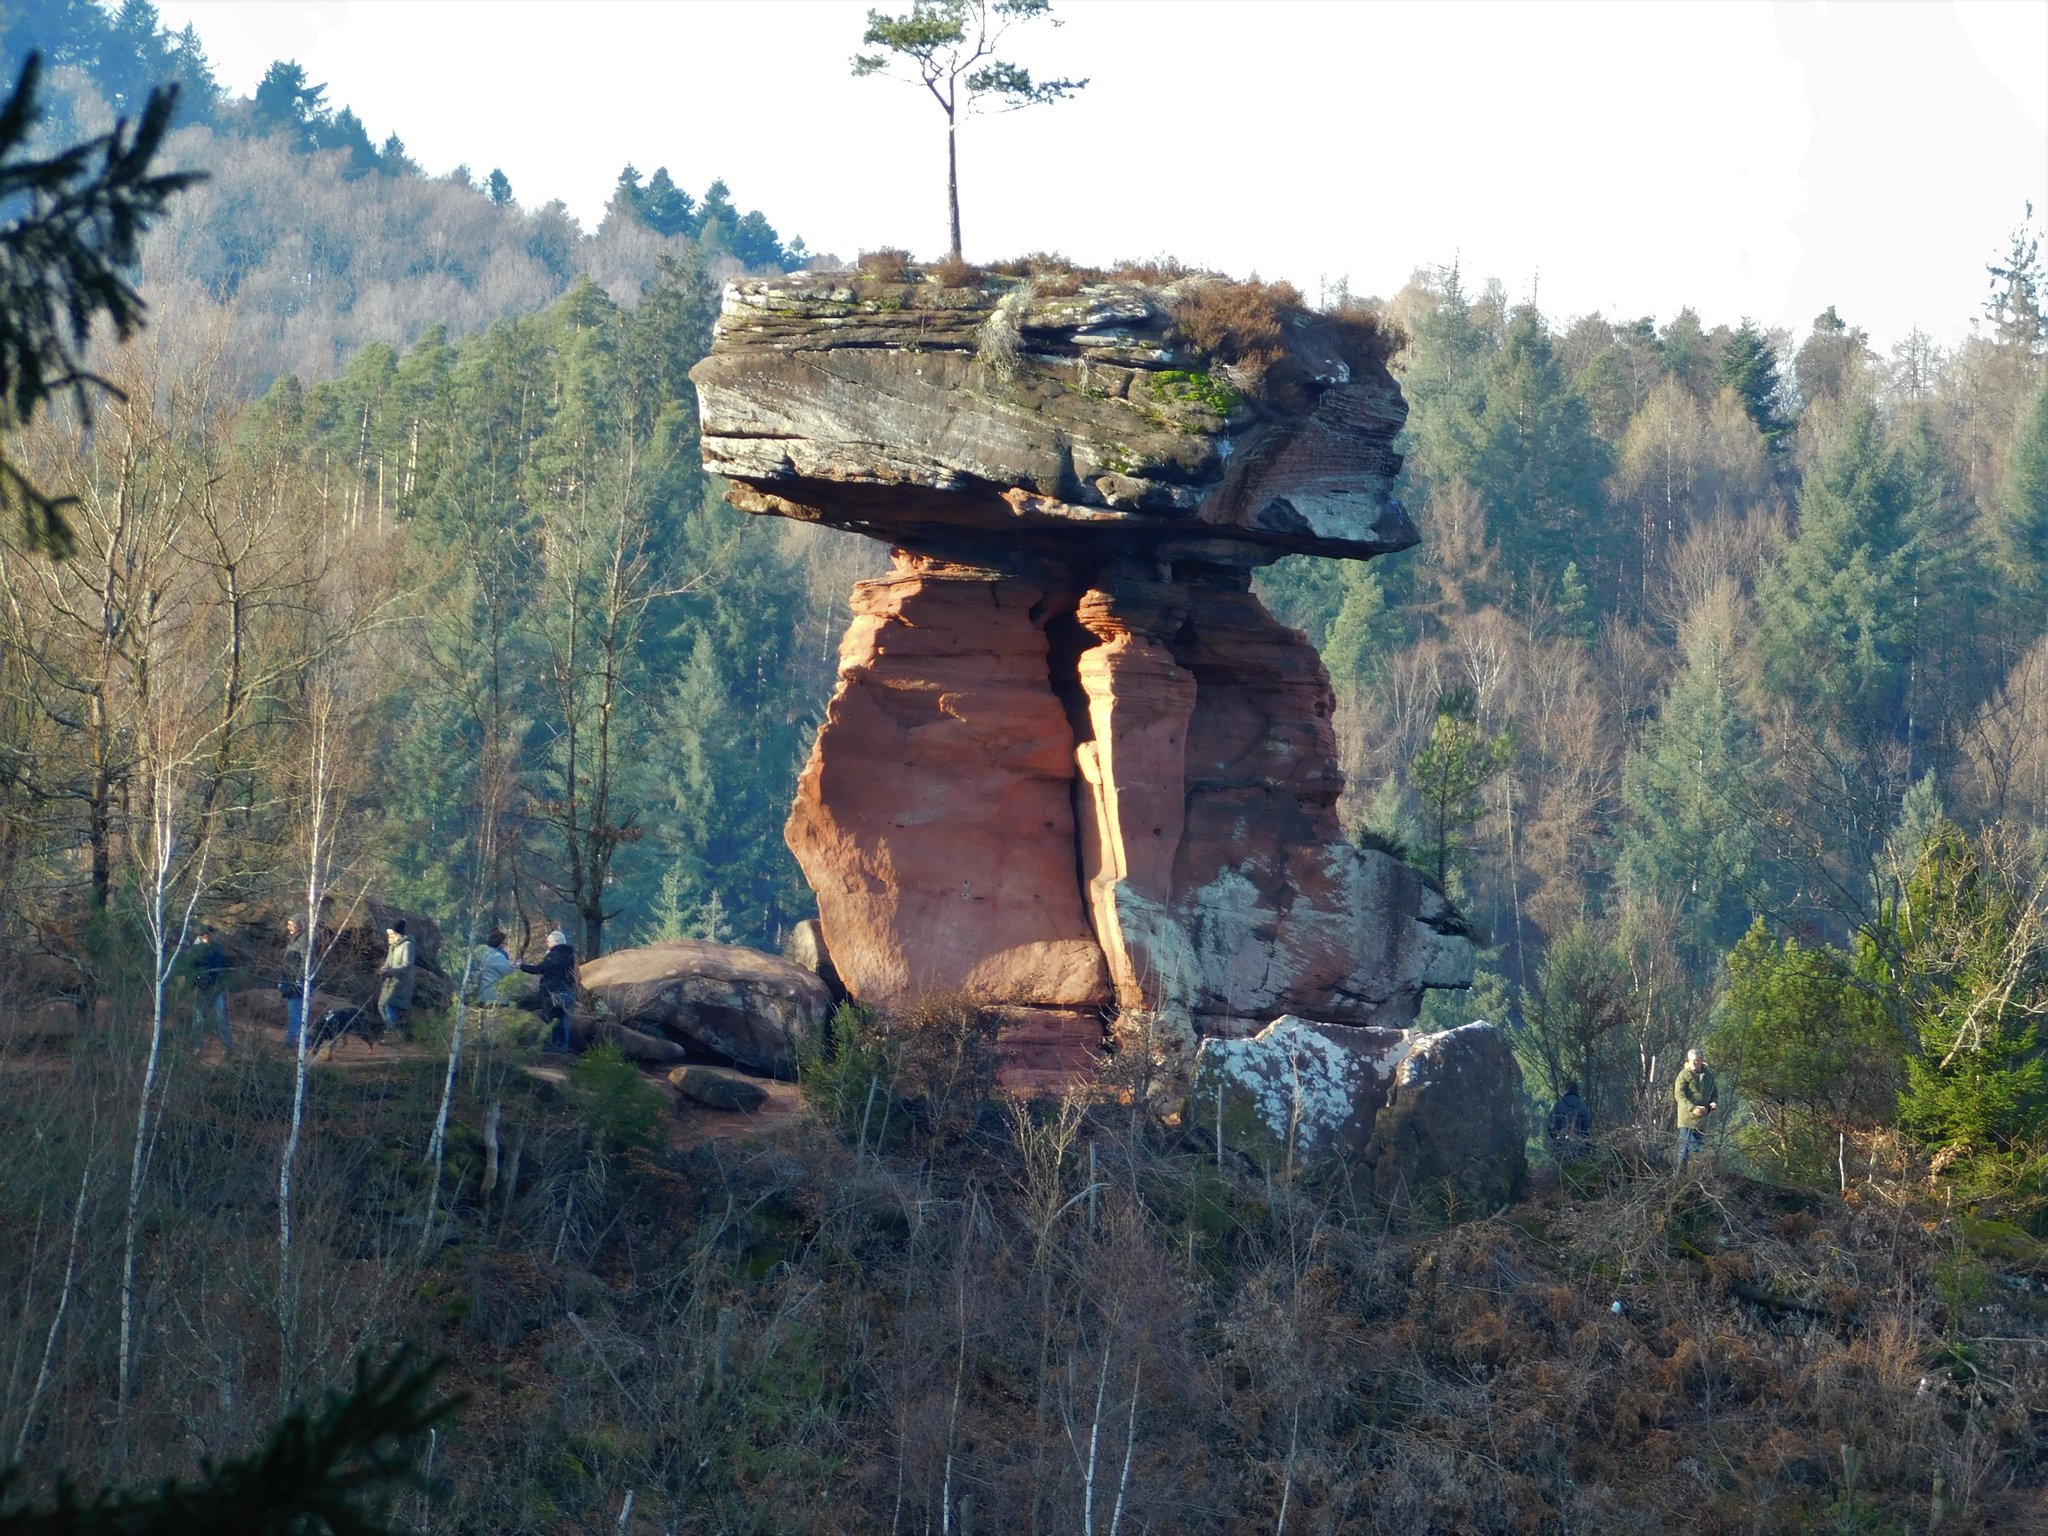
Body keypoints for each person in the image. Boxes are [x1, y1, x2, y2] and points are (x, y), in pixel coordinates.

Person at [520, 929, 578, 1052]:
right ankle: (563, 1045)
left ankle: (556, 1045)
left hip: (551, 991)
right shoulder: (570, 956)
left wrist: (521, 966)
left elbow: (540, 969)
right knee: (563, 1017)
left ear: (556, 942)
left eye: (548, 941)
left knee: (553, 1017)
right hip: (565, 990)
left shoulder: (554, 955)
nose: (547, 943)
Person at [185, 927, 231, 1051]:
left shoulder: (216, 948)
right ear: (203, 935)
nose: (209, 936)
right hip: (201, 990)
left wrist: (223, 985)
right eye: (207, 934)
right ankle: (196, 1046)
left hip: (216, 989)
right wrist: (193, 985)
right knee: (199, 1019)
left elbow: (222, 968)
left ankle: (227, 1047)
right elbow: (189, 970)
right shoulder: (194, 950)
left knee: (221, 1018)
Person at [1674, 1048, 1719, 1169]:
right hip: (1686, 1119)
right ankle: (1680, 1176)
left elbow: (1714, 1093)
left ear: (1701, 1061)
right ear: (1688, 1061)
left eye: (1697, 1060)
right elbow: (1679, 1095)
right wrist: (1692, 1108)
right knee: (1684, 1149)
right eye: (1693, 1060)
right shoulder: (1683, 1075)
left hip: (1702, 1120)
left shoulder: (1709, 1076)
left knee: (1697, 1150)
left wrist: (1713, 1103)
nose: (1695, 1063)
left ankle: (1694, 1176)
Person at [377, 918, 416, 1041]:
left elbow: (407, 964)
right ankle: (395, 1030)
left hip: (401, 983)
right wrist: (383, 969)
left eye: (392, 934)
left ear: (397, 933)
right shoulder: (392, 947)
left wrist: (392, 971)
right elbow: (388, 963)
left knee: (388, 1005)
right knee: (381, 1006)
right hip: (390, 981)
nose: (390, 936)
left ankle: (391, 1033)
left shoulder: (407, 945)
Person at [279, 916, 309, 1048]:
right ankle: (296, 1039)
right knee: (295, 1010)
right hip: (289, 979)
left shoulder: (303, 940)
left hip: (297, 982)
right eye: (288, 924)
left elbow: (306, 961)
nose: (289, 927)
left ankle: (295, 1040)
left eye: (292, 925)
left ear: (299, 926)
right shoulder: (293, 940)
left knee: (296, 1010)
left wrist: (299, 978)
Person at [1547, 1080, 1592, 1154]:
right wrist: (1588, 1146)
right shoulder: (1583, 1106)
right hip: (1579, 1147)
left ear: (1566, 1090)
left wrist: (1555, 1138)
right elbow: (1587, 1129)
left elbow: (1551, 1125)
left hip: (1562, 1147)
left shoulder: (1559, 1106)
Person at [472, 929, 515, 1005]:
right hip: (495, 996)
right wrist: (514, 965)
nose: (506, 945)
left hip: (482, 994)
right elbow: (509, 973)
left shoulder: (483, 953)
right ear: (500, 943)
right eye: (504, 942)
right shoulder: (498, 956)